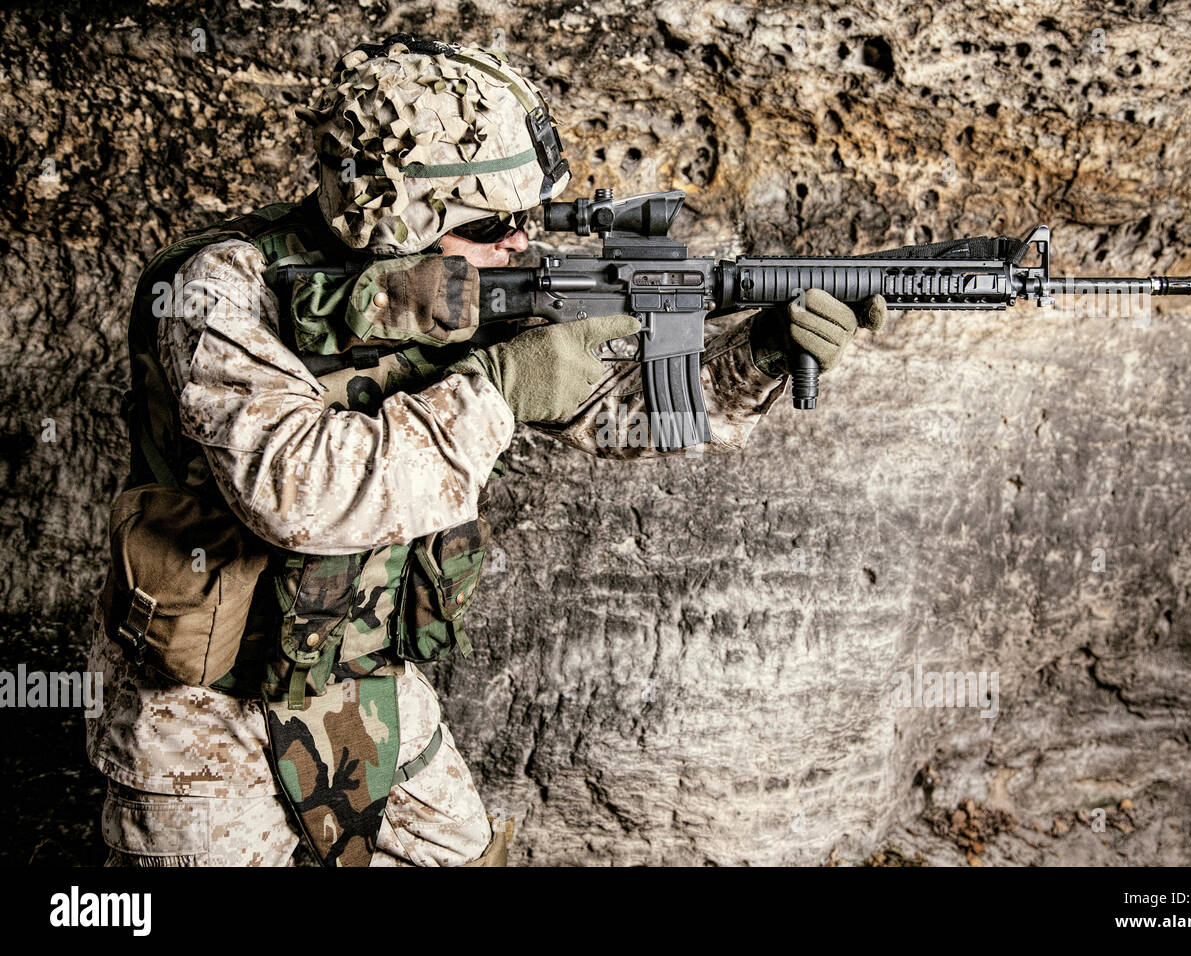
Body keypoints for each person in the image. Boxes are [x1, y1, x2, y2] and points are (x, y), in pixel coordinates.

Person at [86, 34, 878, 866]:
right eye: (498, 224)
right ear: (400, 218)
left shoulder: (471, 281)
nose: (522, 245)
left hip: (364, 681)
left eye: (532, 222)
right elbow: (296, 491)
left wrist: (752, 357)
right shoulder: (222, 286)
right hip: (202, 718)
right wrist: (497, 388)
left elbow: (621, 415)